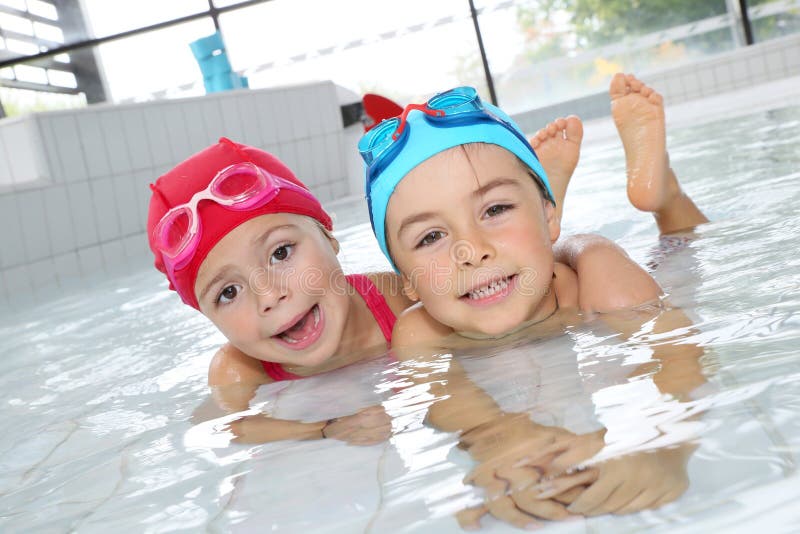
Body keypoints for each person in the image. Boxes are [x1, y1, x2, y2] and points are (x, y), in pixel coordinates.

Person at [361, 73, 708, 527]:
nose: (470, 250)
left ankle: (663, 191)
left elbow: (681, 356)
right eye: (431, 236)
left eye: (494, 209)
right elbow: (453, 403)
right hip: (540, 263)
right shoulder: (420, 331)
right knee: (556, 255)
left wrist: (670, 447)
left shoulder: (599, 282)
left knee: (680, 252)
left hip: (594, 286)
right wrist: (502, 445)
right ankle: (530, 210)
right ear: (407, 283)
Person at [147, 137, 412, 444]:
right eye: (229, 292)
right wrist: (325, 429)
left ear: (328, 236)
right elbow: (227, 428)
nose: (270, 296)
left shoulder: (396, 299)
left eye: (281, 253)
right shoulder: (239, 371)